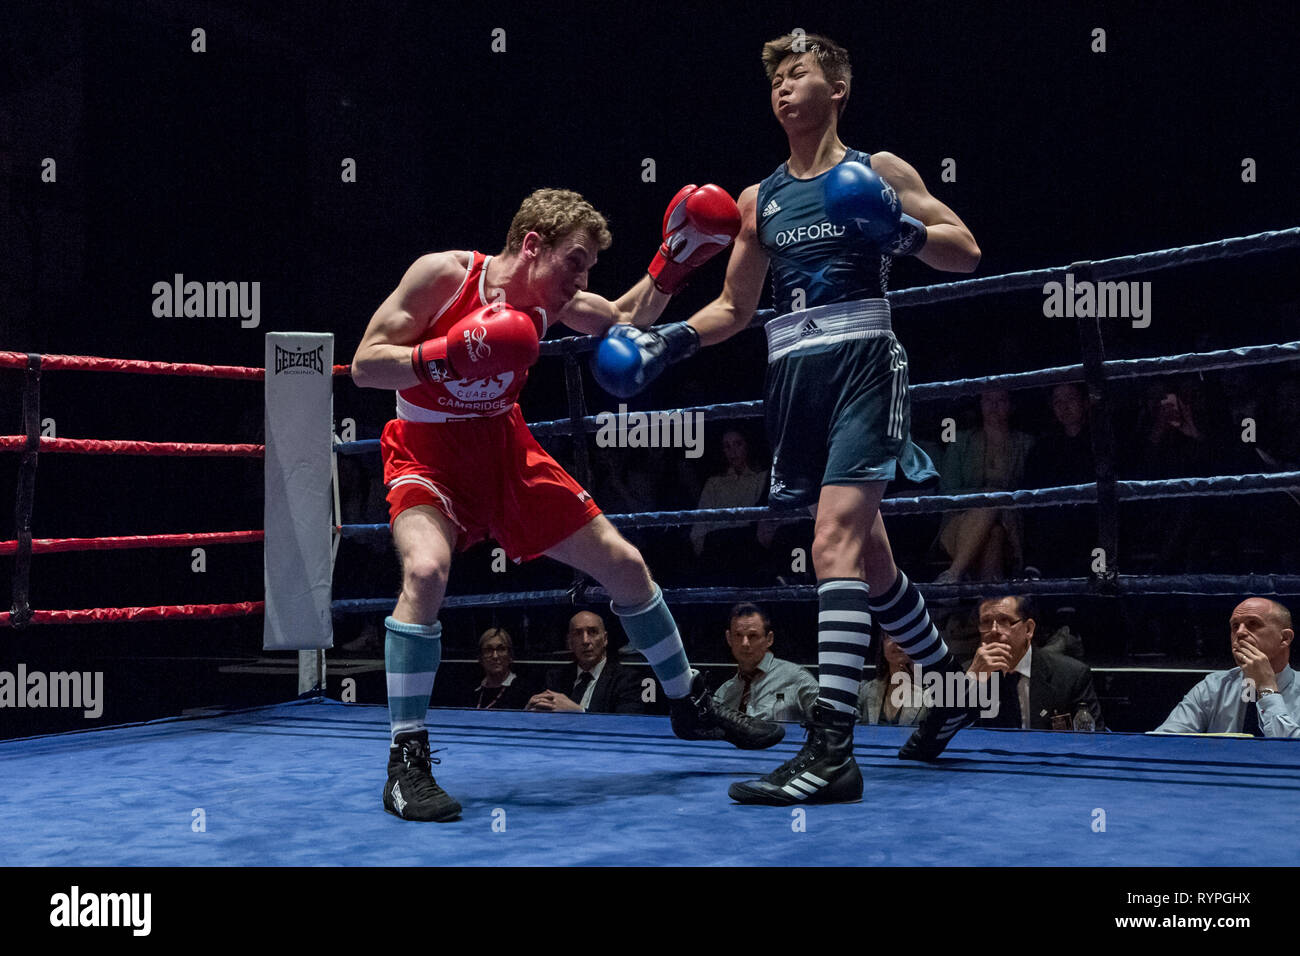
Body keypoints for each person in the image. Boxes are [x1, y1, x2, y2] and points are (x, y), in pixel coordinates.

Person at [591, 33, 982, 802]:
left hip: (864, 359)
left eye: (797, 72)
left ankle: (832, 749)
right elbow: (737, 307)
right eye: (774, 77)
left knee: (831, 541)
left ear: (837, 88)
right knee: (870, 562)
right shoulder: (758, 198)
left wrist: (899, 231)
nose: (781, 86)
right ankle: (951, 687)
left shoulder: (879, 170)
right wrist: (669, 340)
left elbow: (965, 250)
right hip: (792, 375)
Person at [351, 187, 782, 822]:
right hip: (427, 453)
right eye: (574, 263)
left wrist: (673, 260)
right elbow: (365, 365)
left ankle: (687, 702)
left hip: (505, 447)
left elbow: (625, 318)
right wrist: (446, 357)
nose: (580, 281)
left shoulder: (551, 302)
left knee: (626, 566)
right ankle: (405, 760)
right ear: (532, 245)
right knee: (424, 572)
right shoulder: (442, 276)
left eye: (587, 270)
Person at [1155, 598, 1298, 737]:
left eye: (1253, 624)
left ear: (1285, 638)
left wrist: (1266, 688)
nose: (1240, 632)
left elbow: (1292, 753)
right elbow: (1163, 741)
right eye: (1235, 626)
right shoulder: (1213, 686)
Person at [935, 389, 1034, 582]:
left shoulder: (1027, 443)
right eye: (987, 400)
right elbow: (946, 491)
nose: (994, 406)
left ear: (1012, 405)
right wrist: (986, 495)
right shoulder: (959, 441)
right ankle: (990, 603)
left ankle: (953, 576)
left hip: (1009, 525)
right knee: (992, 509)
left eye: (1001, 399)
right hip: (959, 522)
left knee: (996, 532)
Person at [970, 596, 1105, 731]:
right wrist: (972, 679)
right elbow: (950, 729)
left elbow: (1094, 740)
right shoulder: (971, 673)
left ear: (1028, 629)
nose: (994, 630)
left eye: (1005, 621)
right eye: (986, 622)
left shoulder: (1071, 675)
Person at [712, 603, 818, 722]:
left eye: (753, 636)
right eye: (738, 635)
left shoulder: (797, 678)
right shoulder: (724, 692)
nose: (744, 643)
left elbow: (828, 729)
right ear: (729, 639)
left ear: (769, 639)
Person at [529, 612, 643, 714]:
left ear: (605, 639)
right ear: (570, 642)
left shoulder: (627, 679)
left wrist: (578, 712)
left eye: (592, 632)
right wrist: (527, 713)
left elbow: (627, 724)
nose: (585, 641)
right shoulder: (555, 677)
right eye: (578, 633)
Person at [858, 635, 926, 727]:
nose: (897, 641)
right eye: (890, 635)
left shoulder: (935, 694)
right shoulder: (865, 690)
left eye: (904, 635)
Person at [466, 627, 531, 710]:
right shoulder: (472, 690)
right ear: (480, 658)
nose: (495, 656)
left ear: (510, 656)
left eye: (501, 649)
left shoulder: (525, 690)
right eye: (488, 650)